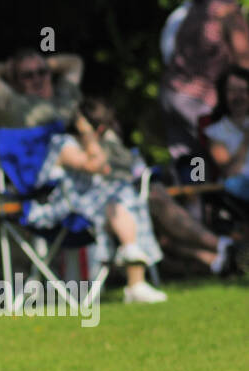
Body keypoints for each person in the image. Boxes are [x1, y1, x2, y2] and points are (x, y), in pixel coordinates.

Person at [25, 109, 167, 304]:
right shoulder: (64, 144)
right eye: (97, 127)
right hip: (63, 209)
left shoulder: (87, 145)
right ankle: (135, 280)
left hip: (93, 208)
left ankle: (132, 259)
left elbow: (111, 168)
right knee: (122, 201)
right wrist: (90, 136)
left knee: (123, 199)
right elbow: (96, 166)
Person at [81, 97, 237, 274]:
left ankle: (217, 259)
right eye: (111, 123)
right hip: (108, 211)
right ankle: (223, 247)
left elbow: (135, 170)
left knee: (164, 232)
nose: (116, 126)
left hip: (131, 209)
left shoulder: (112, 146)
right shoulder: (90, 147)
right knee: (157, 199)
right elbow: (111, 172)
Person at [160, 0, 249, 169]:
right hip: (197, 101)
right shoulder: (226, 11)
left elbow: (168, 52)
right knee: (216, 157)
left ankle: (194, 190)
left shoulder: (192, 10)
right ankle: (210, 192)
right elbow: (244, 58)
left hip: (170, 91)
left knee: (190, 157)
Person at [0, 48, 84, 129]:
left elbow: (75, 63)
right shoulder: (12, 105)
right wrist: (8, 68)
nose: (37, 79)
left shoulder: (62, 98)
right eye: (27, 75)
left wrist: (47, 63)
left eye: (42, 72)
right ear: (15, 82)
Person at [204, 66, 249, 199]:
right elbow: (230, 173)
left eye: (243, 90)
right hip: (238, 190)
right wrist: (246, 141)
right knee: (233, 183)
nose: (239, 96)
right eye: (232, 91)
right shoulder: (215, 132)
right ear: (223, 94)